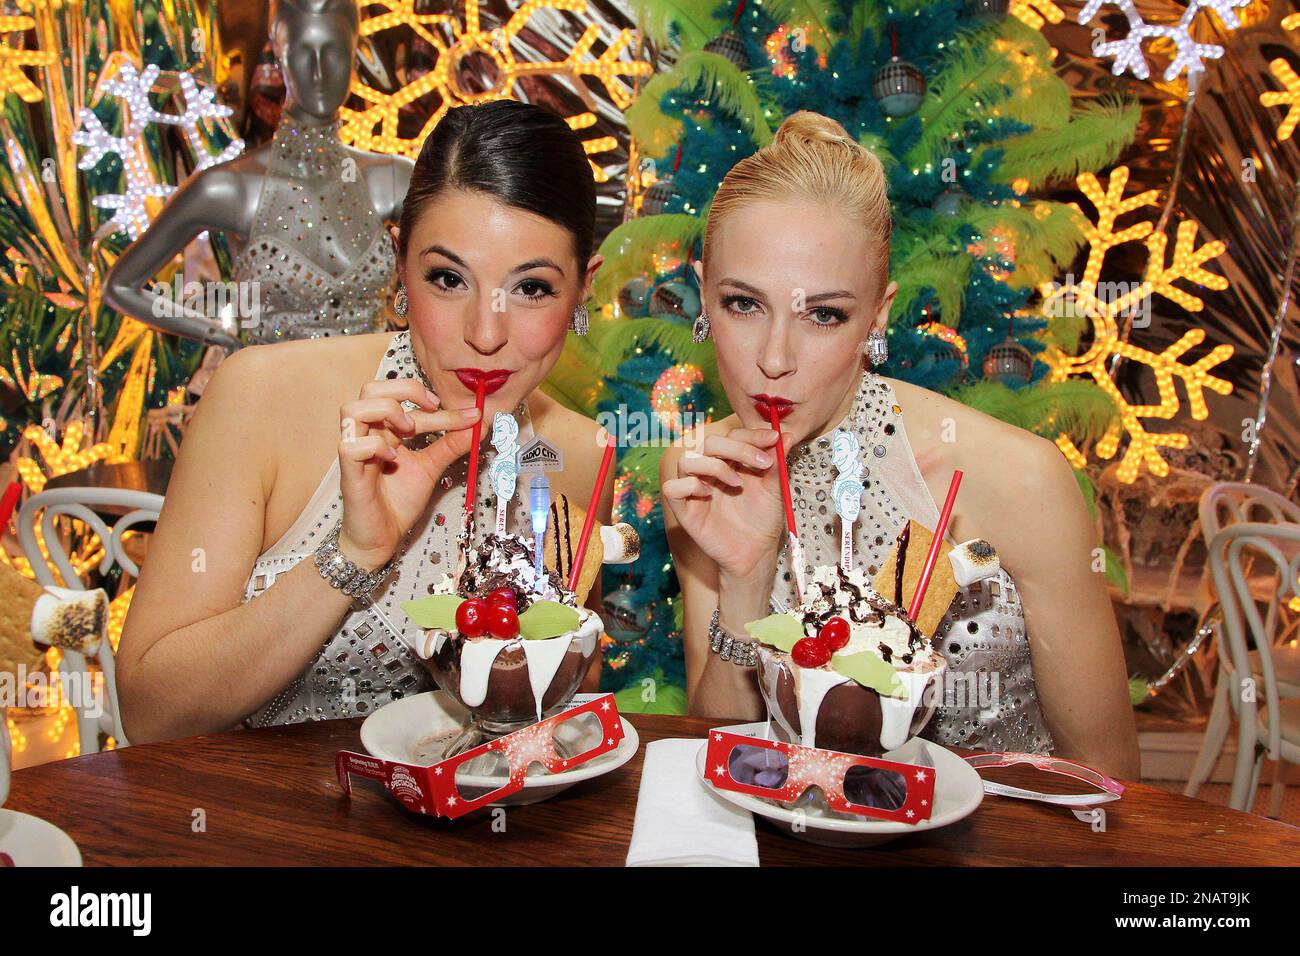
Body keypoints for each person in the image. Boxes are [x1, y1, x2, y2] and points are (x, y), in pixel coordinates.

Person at [661, 111, 1139, 780]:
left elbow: (1108, 780)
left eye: (824, 315)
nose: (774, 359)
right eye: (743, 303)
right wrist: (744, 583)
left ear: (878, 315)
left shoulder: (1016, 478)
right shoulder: (705, 472)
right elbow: (725, 756)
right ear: (704, 296)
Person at [117, 100, 610, 743]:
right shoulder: (263, 395)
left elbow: (560, 723)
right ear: (400, 264)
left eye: (532, 288)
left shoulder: (577, 454)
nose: (484, 335)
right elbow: (150, 713)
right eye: (447, 278)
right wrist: (352, 556)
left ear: (583, 289)